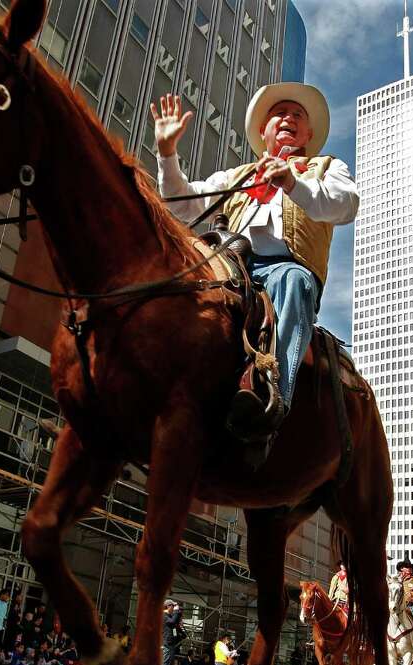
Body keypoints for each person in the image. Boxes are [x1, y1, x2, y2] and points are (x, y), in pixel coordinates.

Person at [153, 83, 359, 432]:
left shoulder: (326, 168)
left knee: (293, 281)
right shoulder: (236, 176)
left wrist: (294, 183)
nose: (288, 119)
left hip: (285, 270)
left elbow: (345, 205)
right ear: (263, 131)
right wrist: (167, 153)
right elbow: (182, 204)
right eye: (279, 114)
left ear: (308, 133)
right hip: (230, 267)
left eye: (297, 115)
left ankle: (270, 398)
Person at [160, 600, 185, 665]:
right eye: (173, 606)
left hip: (171, 643)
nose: (174, 608)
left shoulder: (169, 616)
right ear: (168, 606)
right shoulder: (164, 615)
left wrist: (179, 614)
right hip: (167, 643)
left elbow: (174, 623)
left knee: (169, 664)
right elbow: (172, 622)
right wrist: (176, 612)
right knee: (165, 663)